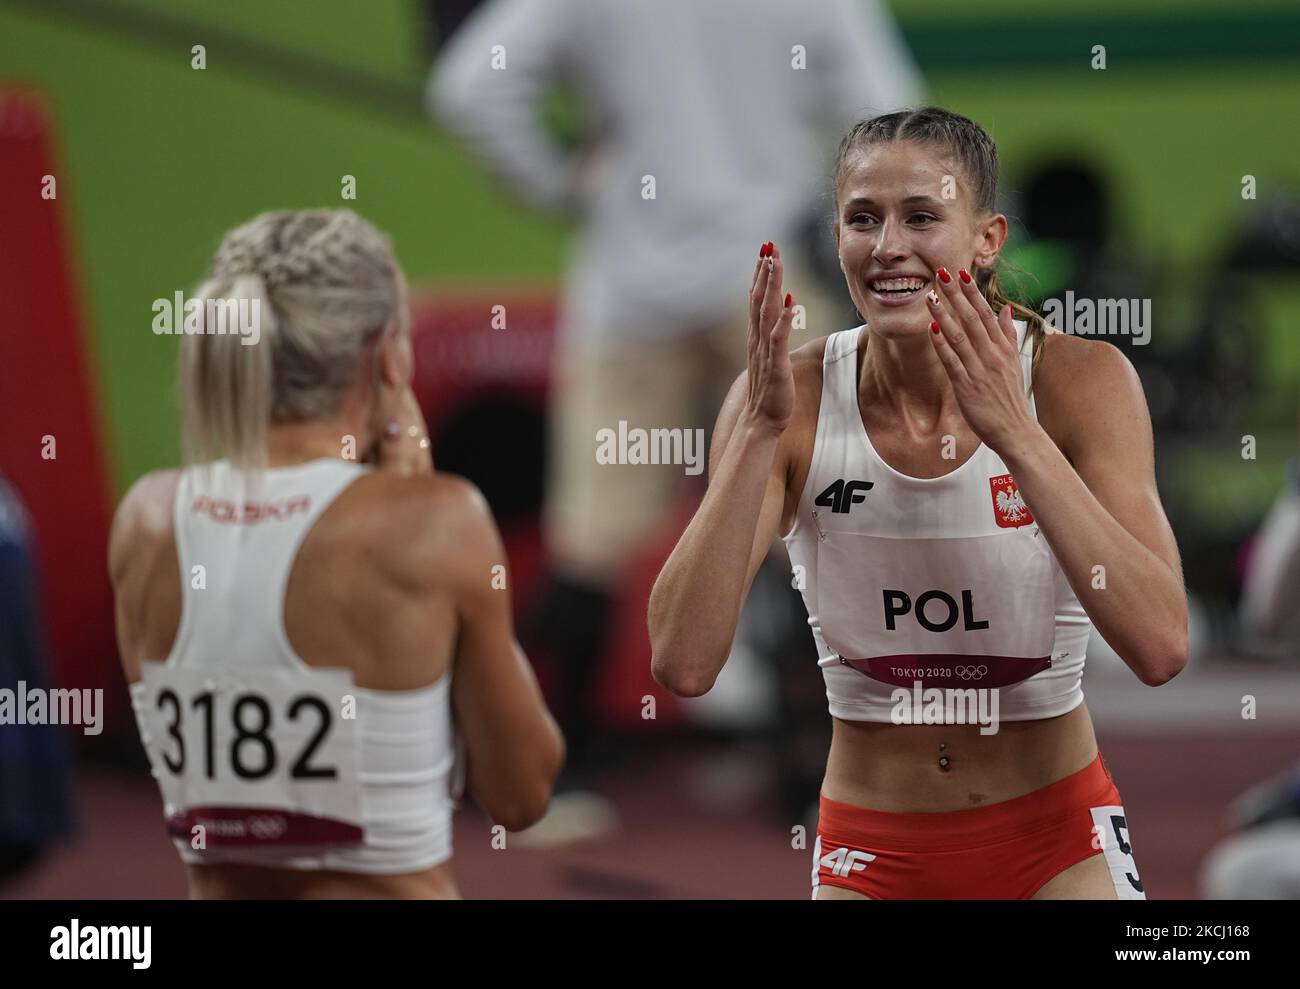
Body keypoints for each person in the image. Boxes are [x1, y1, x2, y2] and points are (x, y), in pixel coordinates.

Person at [649, 107, 1189, 900]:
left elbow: (1161, 646)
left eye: (921, 217)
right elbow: (683, 663)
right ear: (836, 240)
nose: (888, 246)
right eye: (862, 219)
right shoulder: (785, 399)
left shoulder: (1082, 384)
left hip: (1055, 838)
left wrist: (1019, 437)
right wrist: (758, 437)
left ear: (988, 238)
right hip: (872, 851)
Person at [428, 0, 923, 793]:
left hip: (631, 282)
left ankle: (558, 772)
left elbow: (467, 88)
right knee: (816, 511)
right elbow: (892, 113)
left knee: (591, 530)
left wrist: (560, 184)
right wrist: (830, 206)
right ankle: (827, 759)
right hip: (772, 272)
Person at [109, 209, 564, 899]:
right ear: (385, 357)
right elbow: (523, 791)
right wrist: (410, 500)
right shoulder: (439, 523)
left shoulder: (144, 521)